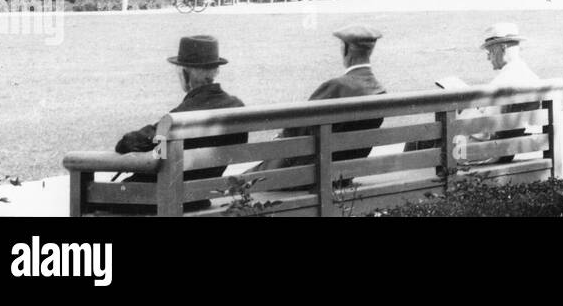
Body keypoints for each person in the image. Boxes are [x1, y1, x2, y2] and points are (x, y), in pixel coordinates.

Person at [112, 35, 247, 212]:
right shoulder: (238, 108)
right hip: (199, 196)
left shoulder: (181, 117)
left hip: (163, 197)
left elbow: (131, 143)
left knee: (95, 195)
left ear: (185, 73)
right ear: (215, 71)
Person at [257, 25, 388, 177]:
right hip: (342, 175)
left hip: (306, 175)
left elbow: (296, 129)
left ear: (345, 49)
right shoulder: (380, 91)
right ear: (370, 51)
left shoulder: (337, 87)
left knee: (243, 182)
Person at [462, 22, 542, 167]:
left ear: (502, 48)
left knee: (425, 140)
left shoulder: (501, 83)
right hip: (507, 150)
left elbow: (484, 132)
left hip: (488, 152)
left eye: (489, 52)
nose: (488, 58)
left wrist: (466, 112)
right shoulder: (531, 77)